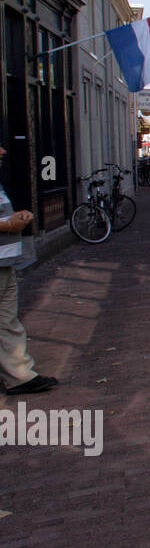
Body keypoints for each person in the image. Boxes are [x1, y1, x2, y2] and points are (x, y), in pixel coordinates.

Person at [0, 145, 56, 394]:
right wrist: (7, 225)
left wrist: (15, 217)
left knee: (7, 321)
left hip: (4, 263)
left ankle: (18, 375)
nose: (3, 151)